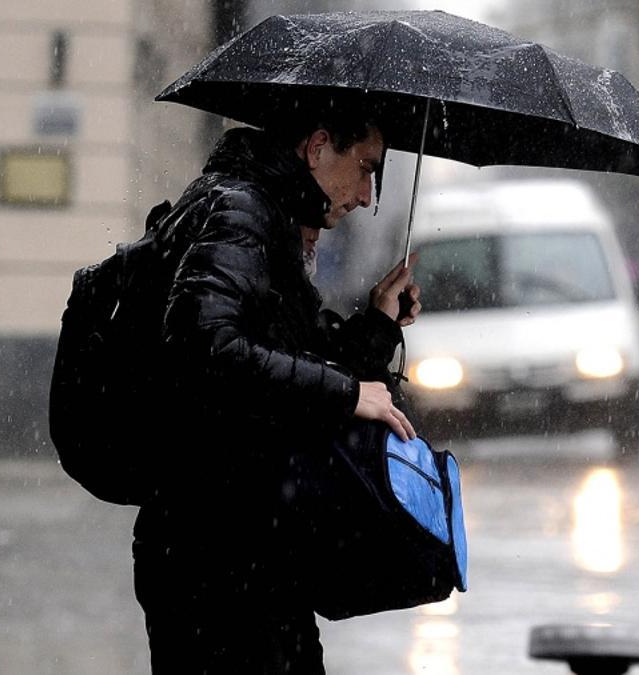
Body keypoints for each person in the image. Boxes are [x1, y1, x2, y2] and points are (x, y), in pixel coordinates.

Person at [132, 110, 420, 674]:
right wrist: (347, 393)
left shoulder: (270, 218)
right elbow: (206, 345)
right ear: (318, 147)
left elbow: (287, 361)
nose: (367, 195)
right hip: (216, 555)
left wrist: (379, 326)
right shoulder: (241, 213)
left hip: (245, 545)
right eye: (365, 168)